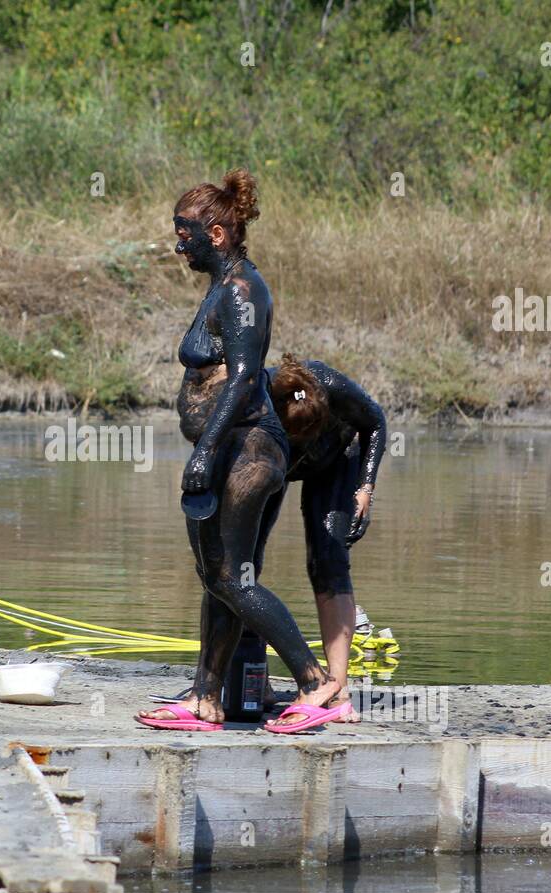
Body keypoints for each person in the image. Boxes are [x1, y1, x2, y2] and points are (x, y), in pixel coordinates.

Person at [135, 170, 347, 734]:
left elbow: (245, 378)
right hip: (229, 450)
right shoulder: (221, 288)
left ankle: (315, 685)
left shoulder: (242, 292)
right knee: (216, 575)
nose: (177, 243)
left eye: (185, 232)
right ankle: (206, 699)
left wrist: (204, 451)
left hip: (247, 451)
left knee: (232, 576)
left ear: (218, 235)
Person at [262, 354, 386, 728]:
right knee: (243, 562)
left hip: (337, 458)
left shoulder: (331, 386)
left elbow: (376, 422)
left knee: (328, 560)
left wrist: (366, 488)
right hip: (276, 459)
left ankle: (339, 689)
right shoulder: (259, 395)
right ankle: (253, 681)